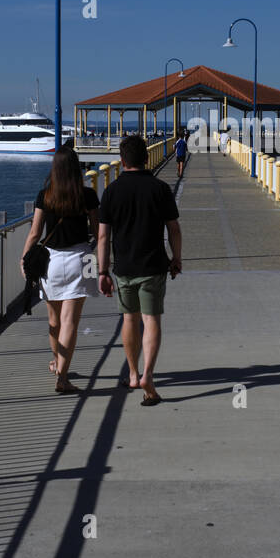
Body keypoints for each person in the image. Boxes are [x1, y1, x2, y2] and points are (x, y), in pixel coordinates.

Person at [97, 135, 182, 406]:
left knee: (129, 320)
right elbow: (174, 229)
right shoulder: (160, 188)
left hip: (123, 268)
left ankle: (133, 375)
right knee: (152, 320)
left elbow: (102, 237)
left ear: (122, 162)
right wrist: (176, 258)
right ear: (146, 158)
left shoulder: (110, 192)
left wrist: (102, 271)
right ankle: (148, 375)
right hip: (154, 266)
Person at [21, 148, 99, 394]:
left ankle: (58, 362)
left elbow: (35, 233)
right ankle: (62, 377)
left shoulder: (45, 196)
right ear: (76, 168)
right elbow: (99, 232)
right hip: (82, 259)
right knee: (70, 323)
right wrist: (103, 261)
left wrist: (24, 259)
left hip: (51, 262)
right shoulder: (87, 195)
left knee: (54, 321)